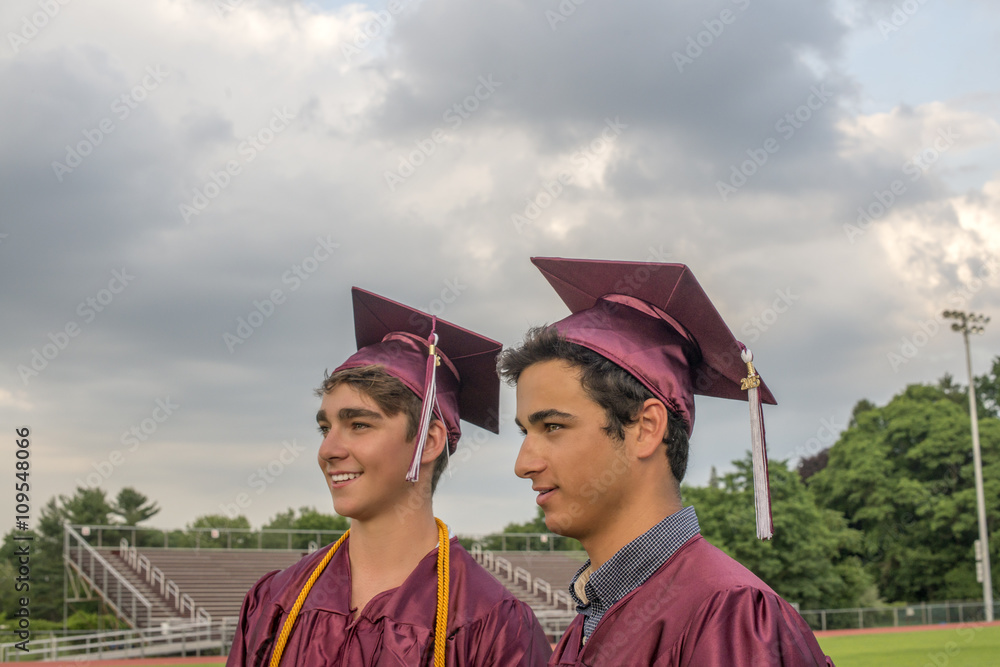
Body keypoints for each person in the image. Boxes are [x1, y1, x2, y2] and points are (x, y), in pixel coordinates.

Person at [498, 258, 834, 666]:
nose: (524, 463)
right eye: (524, 433)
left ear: (646, 427)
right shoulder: (586, 624)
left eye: (552, 426)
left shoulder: (732, 617)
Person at [228, 287, 551, 667]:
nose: (328, 450)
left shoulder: (492, 626)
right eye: (325, 428)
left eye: (359, 425)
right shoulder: (275, 603)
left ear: (429, 442)